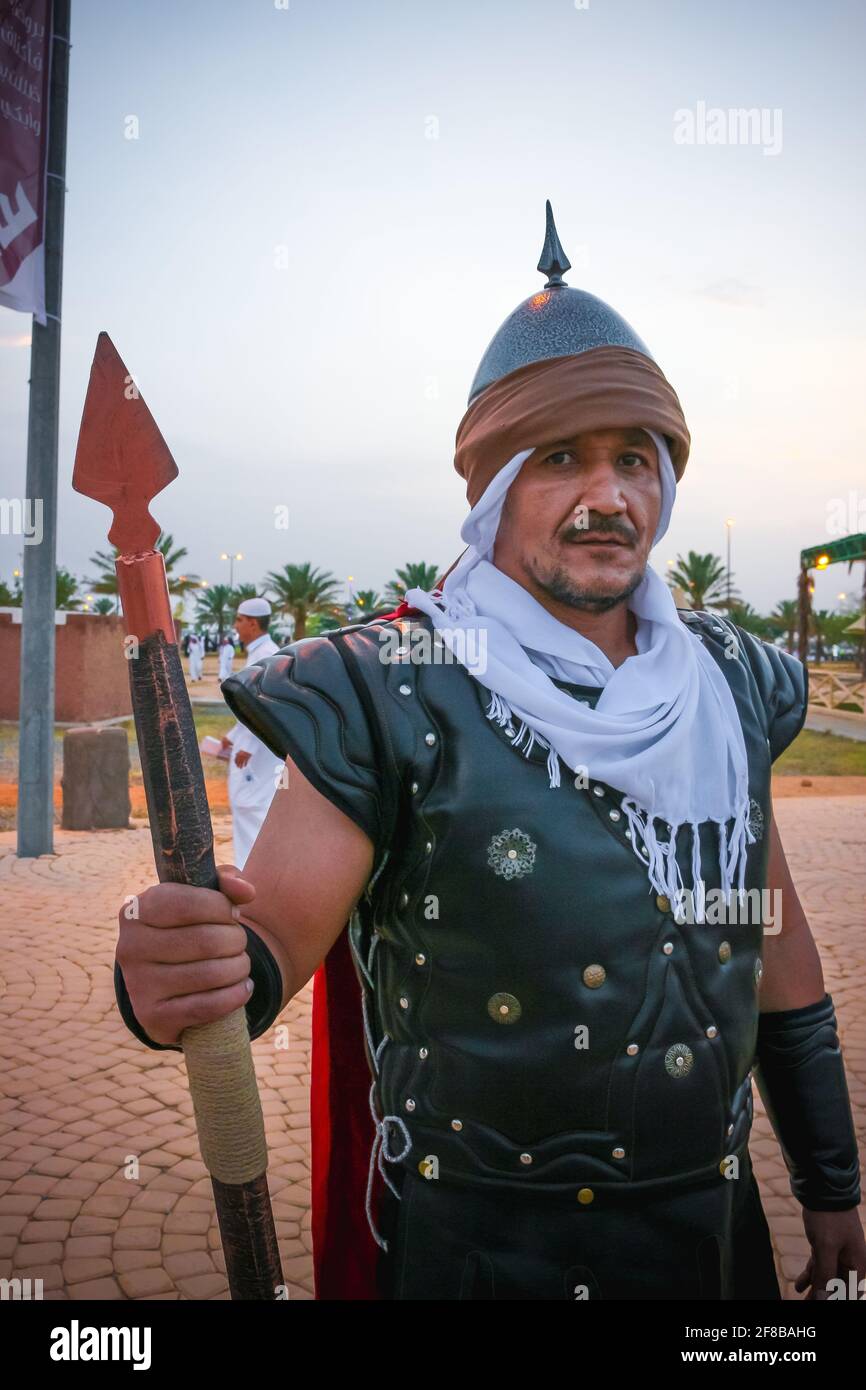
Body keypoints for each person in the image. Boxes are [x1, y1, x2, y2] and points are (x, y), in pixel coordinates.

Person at [113, 203, 862, 1301]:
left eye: (634, 460)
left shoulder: (727, 683)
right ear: (493, 488)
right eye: (560, 457)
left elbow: (767, 934)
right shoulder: (392, 684)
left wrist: (830, 1179)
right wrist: (186, 971)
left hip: (709, 1241)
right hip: (480, 1258)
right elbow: (265, 935)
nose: (607, 497)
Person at [220, 597, 283, 869]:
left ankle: (255, 872)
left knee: (251, 806)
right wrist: (233, 736)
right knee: (249, 806)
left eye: (239, 620)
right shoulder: (260, 652)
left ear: (253, 624)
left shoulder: (265, 655)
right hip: (252, 743)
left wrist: (249, 744)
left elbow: (267, 706)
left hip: (256, 749)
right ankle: (253, 869)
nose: (236, 626)